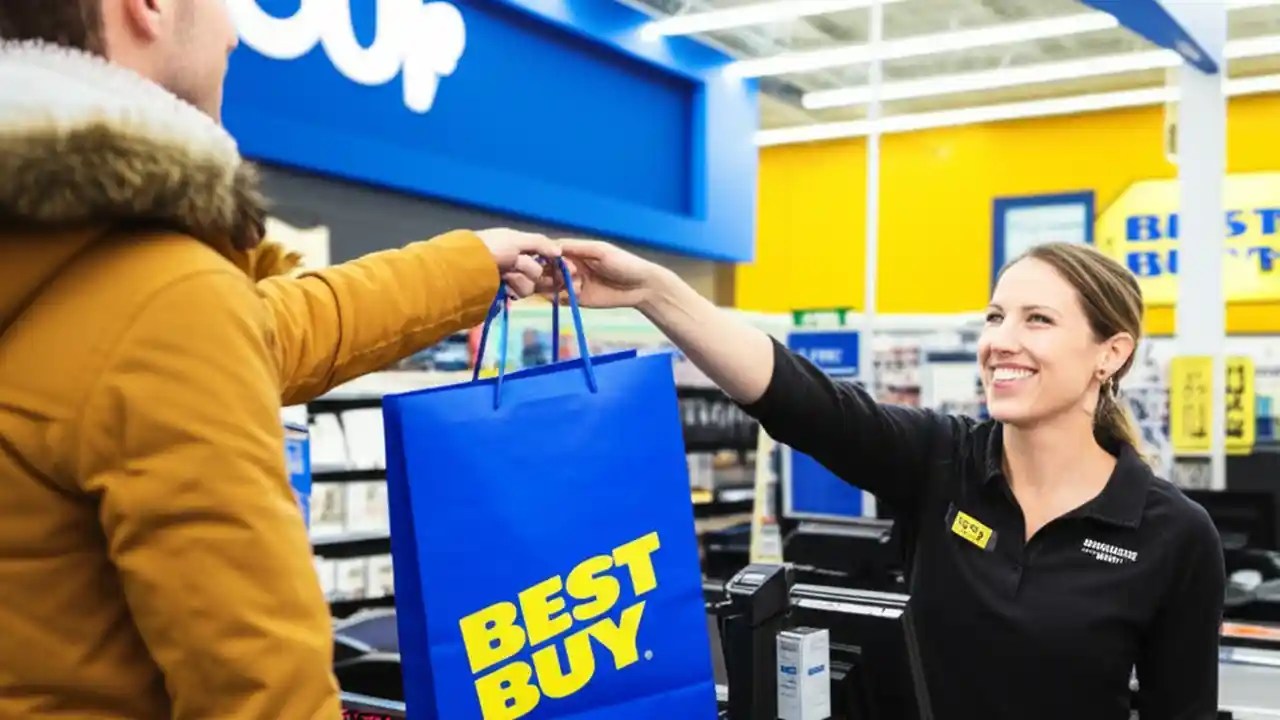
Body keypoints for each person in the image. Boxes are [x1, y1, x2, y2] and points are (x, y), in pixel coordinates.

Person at [0, 1, 558, 718]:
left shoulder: (66, 265)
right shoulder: (160, 295)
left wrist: (467, 266)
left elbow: (265, 329)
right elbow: (268, 694)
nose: (234, 32)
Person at [556, 238, 1227, 719]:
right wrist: (653, 291)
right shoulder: (943, 461)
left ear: (1110, 353)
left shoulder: (1173, 536)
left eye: (1038, 320)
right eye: (996, 316)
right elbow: (804, 402)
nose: (1000, 340)